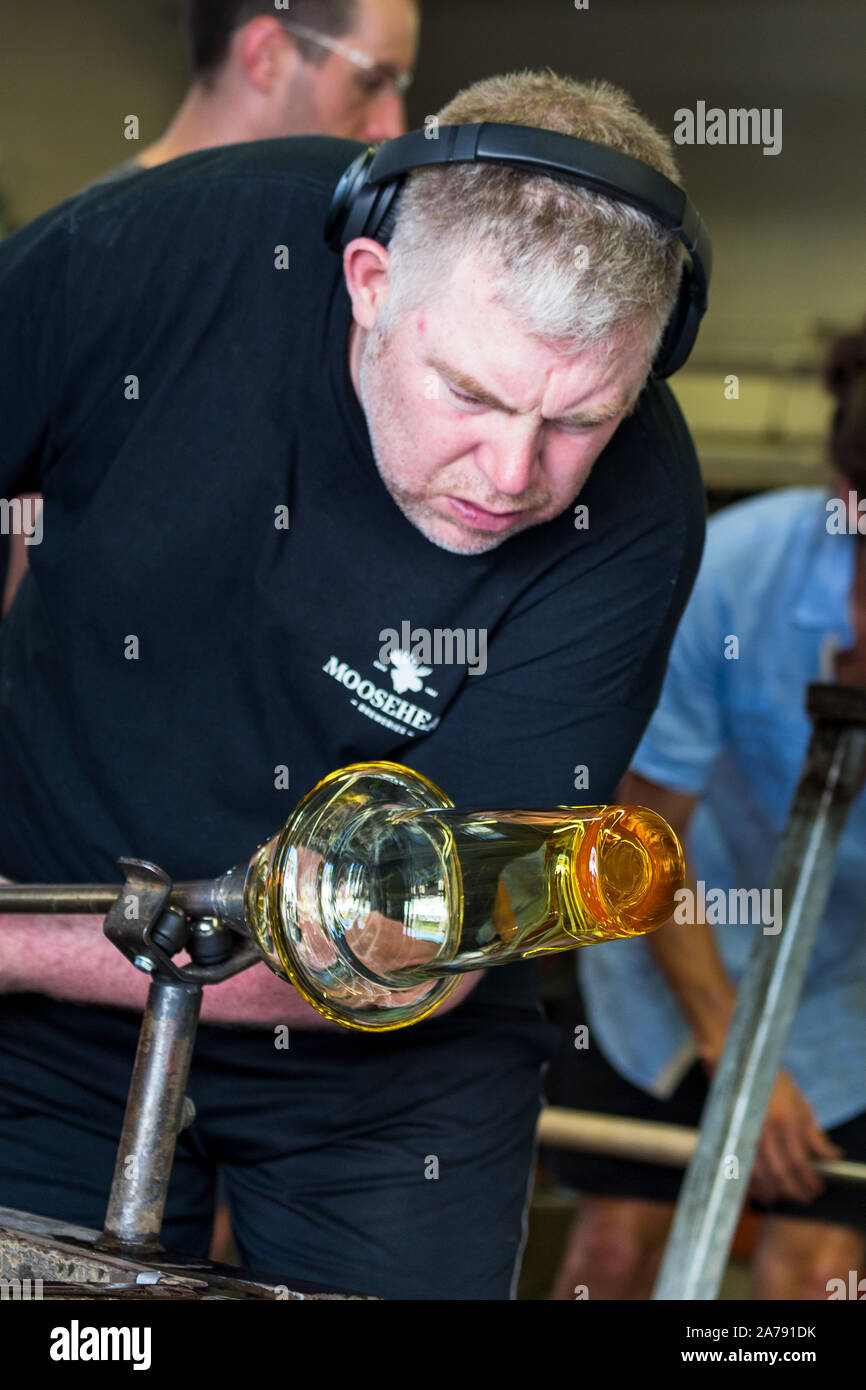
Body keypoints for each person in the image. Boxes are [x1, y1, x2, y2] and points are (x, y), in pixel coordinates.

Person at [0, 70, 705, 1300]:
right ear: (369, 284)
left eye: (579, 417)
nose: (513, 472)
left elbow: (404, 942)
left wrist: (7, 935)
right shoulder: (151, 258)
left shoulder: (634, 514)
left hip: (380, 1055)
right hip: (46, 971)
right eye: (470, 393)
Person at [543, 318, 866, 1301]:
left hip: (849, 980)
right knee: (615, 1242)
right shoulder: (729, 573)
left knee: (814, 1268)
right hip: (678, 921)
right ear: (844, 500)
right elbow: (646, 840)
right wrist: (734, 1050)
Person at [0, 0, 419, 620]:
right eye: (371, 80)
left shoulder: (352, 267)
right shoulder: (91, 259)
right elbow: (31, 567)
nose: (393, 122)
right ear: (266, 55)